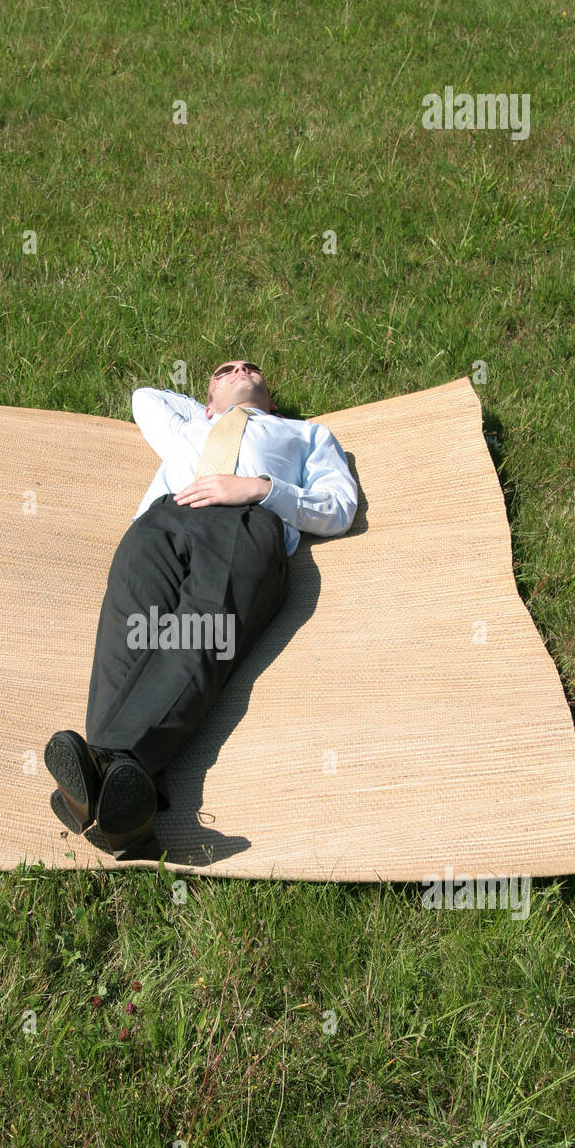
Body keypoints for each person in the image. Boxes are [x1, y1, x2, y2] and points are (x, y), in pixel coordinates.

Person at [44, 358, 358, 859]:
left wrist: (262, 488)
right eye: (224, 369)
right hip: (161, 521)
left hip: (246, 522)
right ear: (206, 396)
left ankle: (106, 776)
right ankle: (123, 804)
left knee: (197, 633)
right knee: (131, 634)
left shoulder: (305, 434)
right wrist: (213, 413)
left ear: (273, 399)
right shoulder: (188, 428)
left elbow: (339, 506)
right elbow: (145, 398)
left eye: (250, 368)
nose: (239, 369)